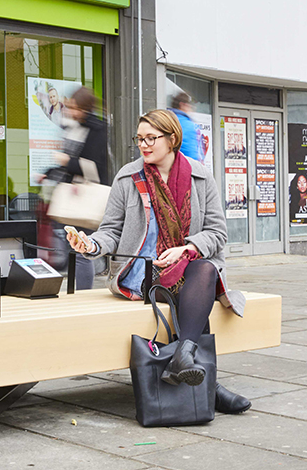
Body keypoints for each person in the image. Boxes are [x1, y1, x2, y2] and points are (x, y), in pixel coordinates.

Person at [66, 109, 250, 415]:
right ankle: (208, 386)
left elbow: (218, 233)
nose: (144, 144)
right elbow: (111, 230)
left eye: (151, 138)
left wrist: (185, 248)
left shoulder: (201, 177)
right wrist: (91, 243)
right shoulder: (128, 177)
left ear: (172, 139)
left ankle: (185, 358)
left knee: (204, 270)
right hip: (143, 271)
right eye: (140, 139)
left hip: (186, 263)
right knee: (193, 290)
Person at [46, 87, 109, 290]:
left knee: (81, 252)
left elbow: (96, 167)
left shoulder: (98, 129)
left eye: (75, 107)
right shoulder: (72, 128)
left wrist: (68, 162)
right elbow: (68, 162)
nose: (71, 111)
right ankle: (75, 293)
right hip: (72, 195)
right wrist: (48, 172)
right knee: (71, 249)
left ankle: (82, 295)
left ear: (85, 108)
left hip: (86, 196)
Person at [168, 92, 203, 161]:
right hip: (182, 167)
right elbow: (191, 154)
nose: (191, 109)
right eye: (189, 106)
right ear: (182, 105)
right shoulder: (187, 125)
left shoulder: (166, 120)